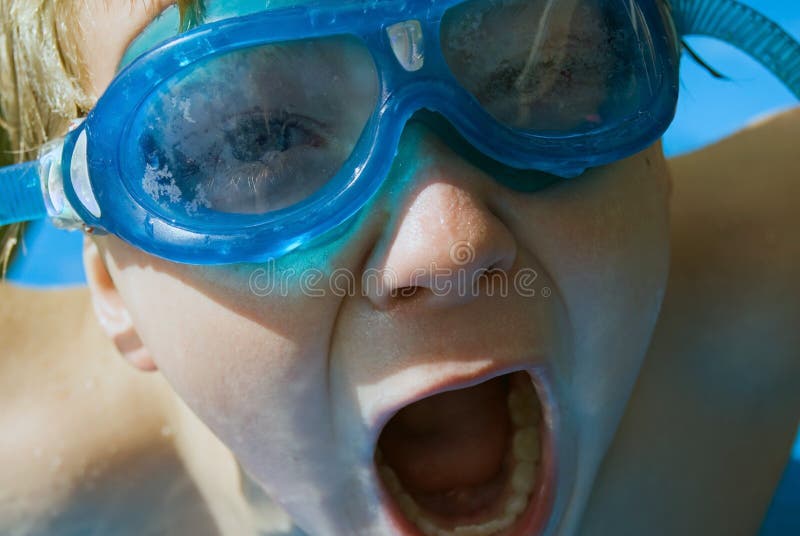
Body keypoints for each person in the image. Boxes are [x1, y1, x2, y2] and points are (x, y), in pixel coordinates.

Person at [0, 1, 798, 535]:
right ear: (111, 286)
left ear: (658, 162)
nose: (449, 244)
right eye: (255, 140)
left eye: (543, 71)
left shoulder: (763, 311)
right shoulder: (42, 475)